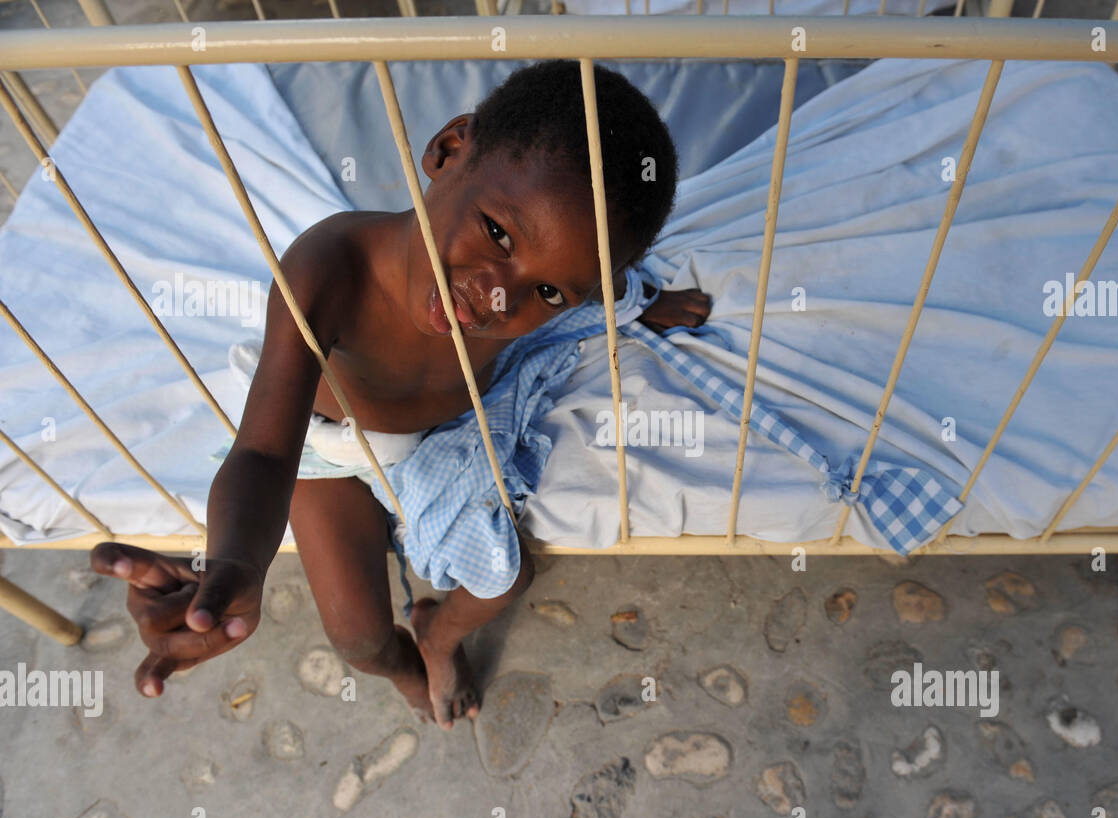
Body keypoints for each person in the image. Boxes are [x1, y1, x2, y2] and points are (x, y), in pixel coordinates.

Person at [89, 60, 712, 729]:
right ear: (448, 152)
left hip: (444, 434)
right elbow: (266, 453)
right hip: (330, 447)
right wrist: (235, 561)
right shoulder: (328, 270)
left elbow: (597, 284)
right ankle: (402, 667)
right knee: (356, 637)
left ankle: (438, 636)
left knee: (504, 577)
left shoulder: (558, 284)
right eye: (497, 233)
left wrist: (642, 302)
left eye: (551, 292)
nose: (497, 294)